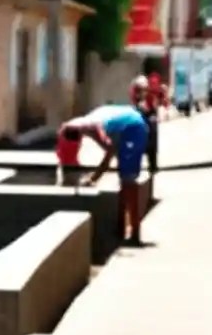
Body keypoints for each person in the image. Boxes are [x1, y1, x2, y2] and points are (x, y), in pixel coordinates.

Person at [56, 105, 150, 245]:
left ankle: (135, 235)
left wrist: (94, 177)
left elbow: (109, 149)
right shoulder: (84, 121)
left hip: (133, 128)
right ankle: (122, 228)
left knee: (129, 181)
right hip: (127, 125)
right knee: (124, 179)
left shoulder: (93, 126)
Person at [131, 74, 162, 187]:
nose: (142, 92)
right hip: (140, 121)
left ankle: (152, 166)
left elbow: (153, 110)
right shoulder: (136, 97)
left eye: (144, 89)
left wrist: (152, 115)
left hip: (149, 120)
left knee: (152, 143)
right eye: (140, 90)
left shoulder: (150, 97)